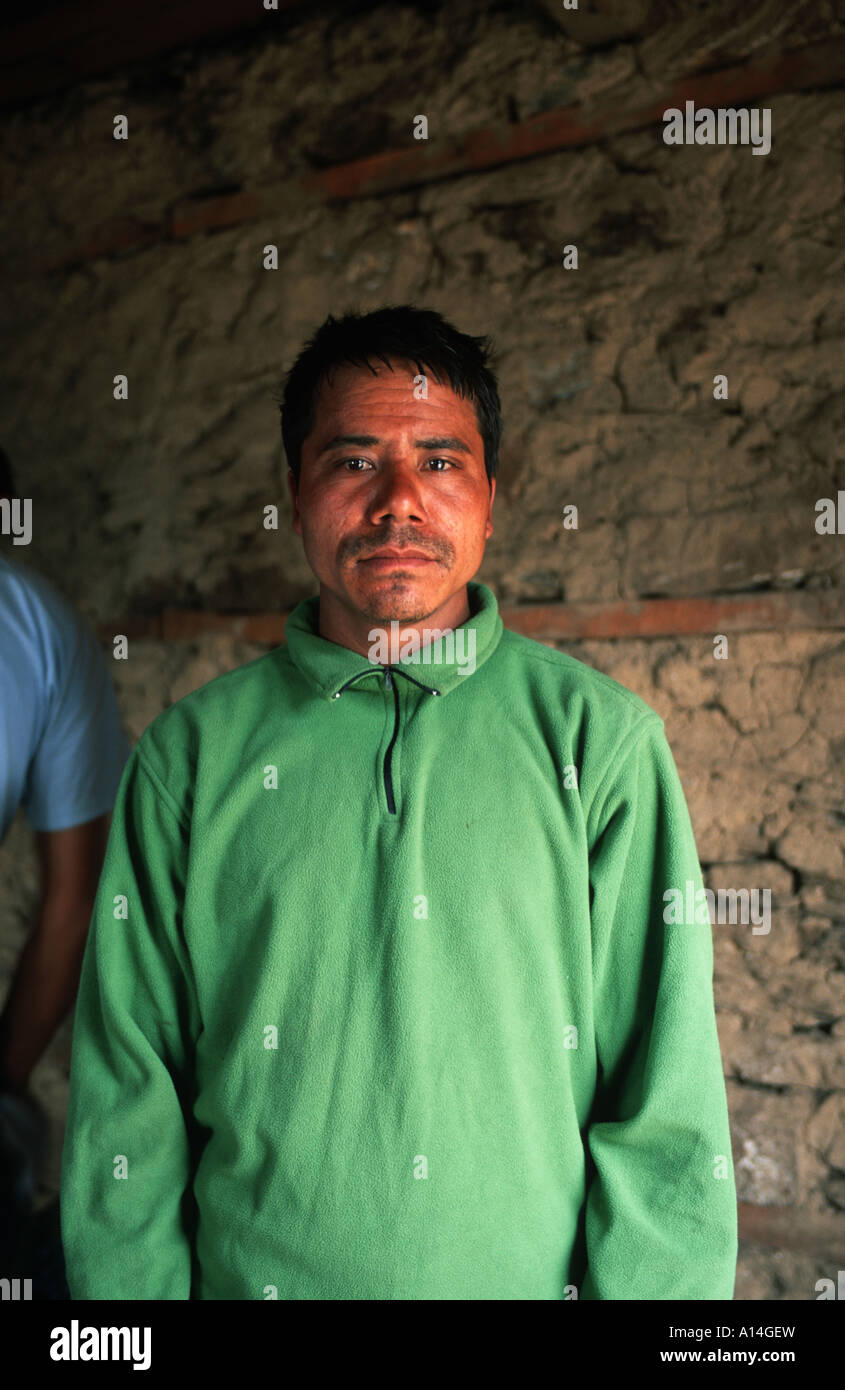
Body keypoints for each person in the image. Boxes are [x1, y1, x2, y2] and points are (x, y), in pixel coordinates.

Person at [60, 305, 738, 1300]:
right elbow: (126, 1106)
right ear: (295, 494)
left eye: (439, 461)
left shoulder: (595, 747)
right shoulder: (190, 761)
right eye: (351, 460)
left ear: (490, 498)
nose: (397, 502)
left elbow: (662, 1106)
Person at [0, 446, 130, 1294]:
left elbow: (76, 905)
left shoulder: (37, 633)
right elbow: (71, 905)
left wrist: (3, 1082)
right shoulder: (36, 625)